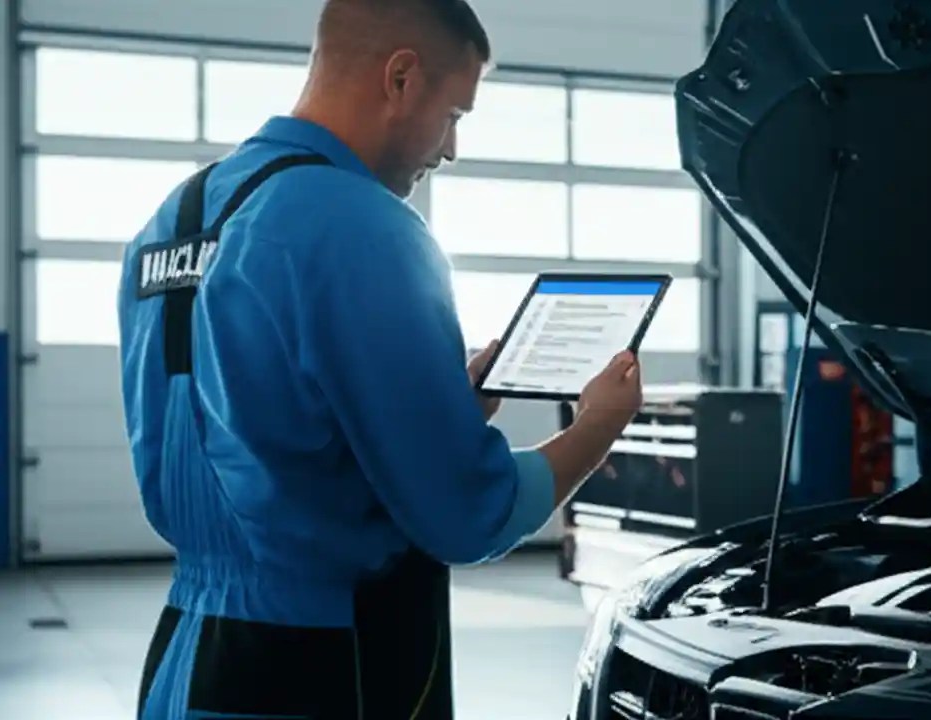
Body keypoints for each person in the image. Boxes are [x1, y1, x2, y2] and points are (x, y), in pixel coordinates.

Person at [116, 0, 642, 717]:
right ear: (401, 77)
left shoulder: (170, 222)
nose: (450, 148)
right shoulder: (364, 224)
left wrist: (439, 405)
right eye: (455, 114)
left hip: (185, 658)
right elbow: (465, 512)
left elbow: (261, 420)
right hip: (316, 666)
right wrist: (596, 429)